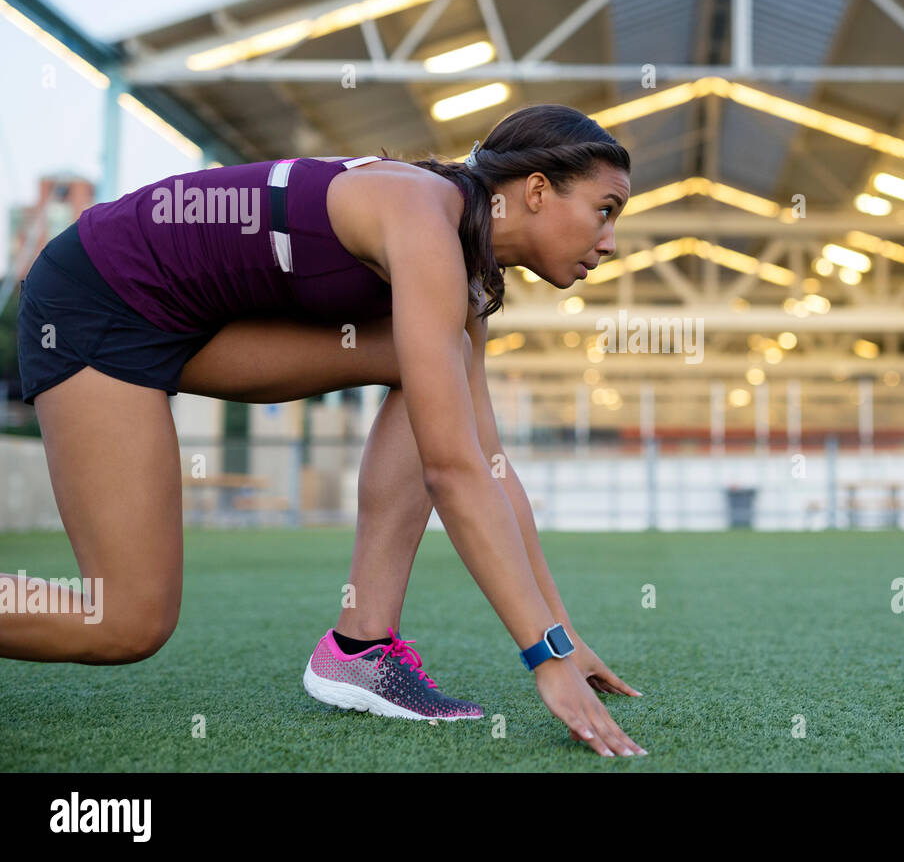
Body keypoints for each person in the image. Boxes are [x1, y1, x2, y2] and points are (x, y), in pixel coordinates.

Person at [4, 103, 646, 757]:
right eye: (606, 208)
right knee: (123, 622)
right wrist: (543, 658)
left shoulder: (466, 282)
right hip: (98, 297)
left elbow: (486, 463)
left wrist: (562, 633)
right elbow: (451, 472)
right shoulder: (422, 215)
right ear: (537, 190)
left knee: (433, 364)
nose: (611, 241)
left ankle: (360, 647)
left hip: (188, 321)